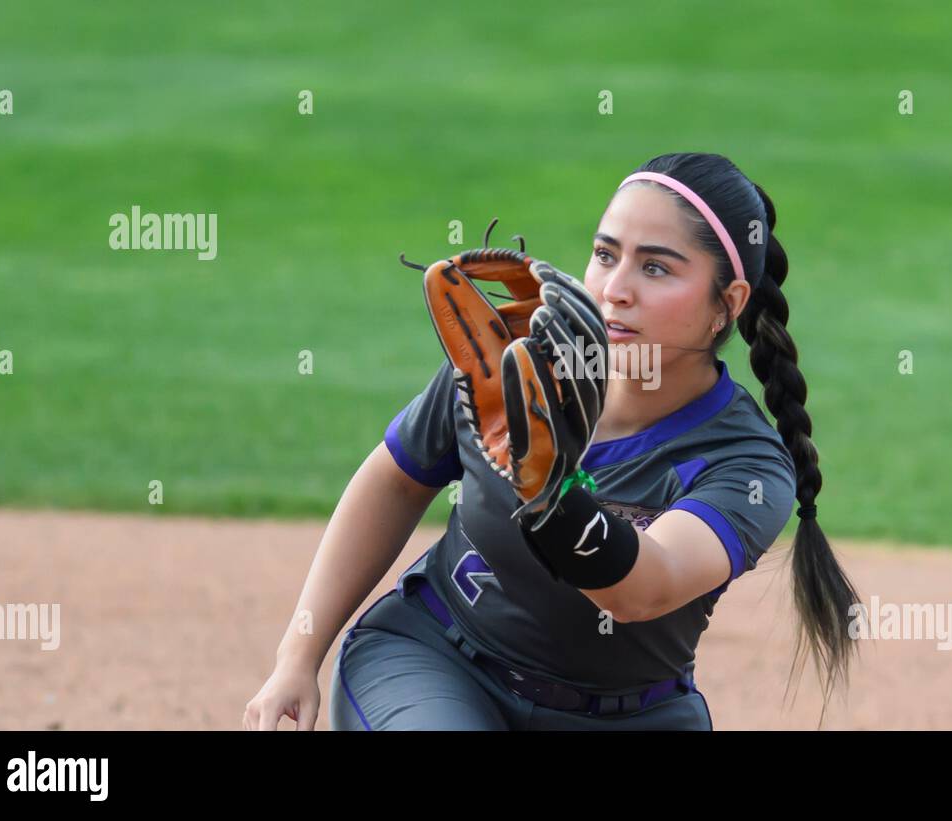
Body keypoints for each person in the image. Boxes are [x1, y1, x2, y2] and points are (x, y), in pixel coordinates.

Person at [243, 151, 859, 731]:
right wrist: (298, 654)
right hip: (438, 665)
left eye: (656, 267)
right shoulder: (510, 370)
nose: (615, 287)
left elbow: (643, 589)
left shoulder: (747, 464)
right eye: (604, 253)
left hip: (631, 715)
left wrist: (555, 492)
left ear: (726, 304)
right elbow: (395, 479)